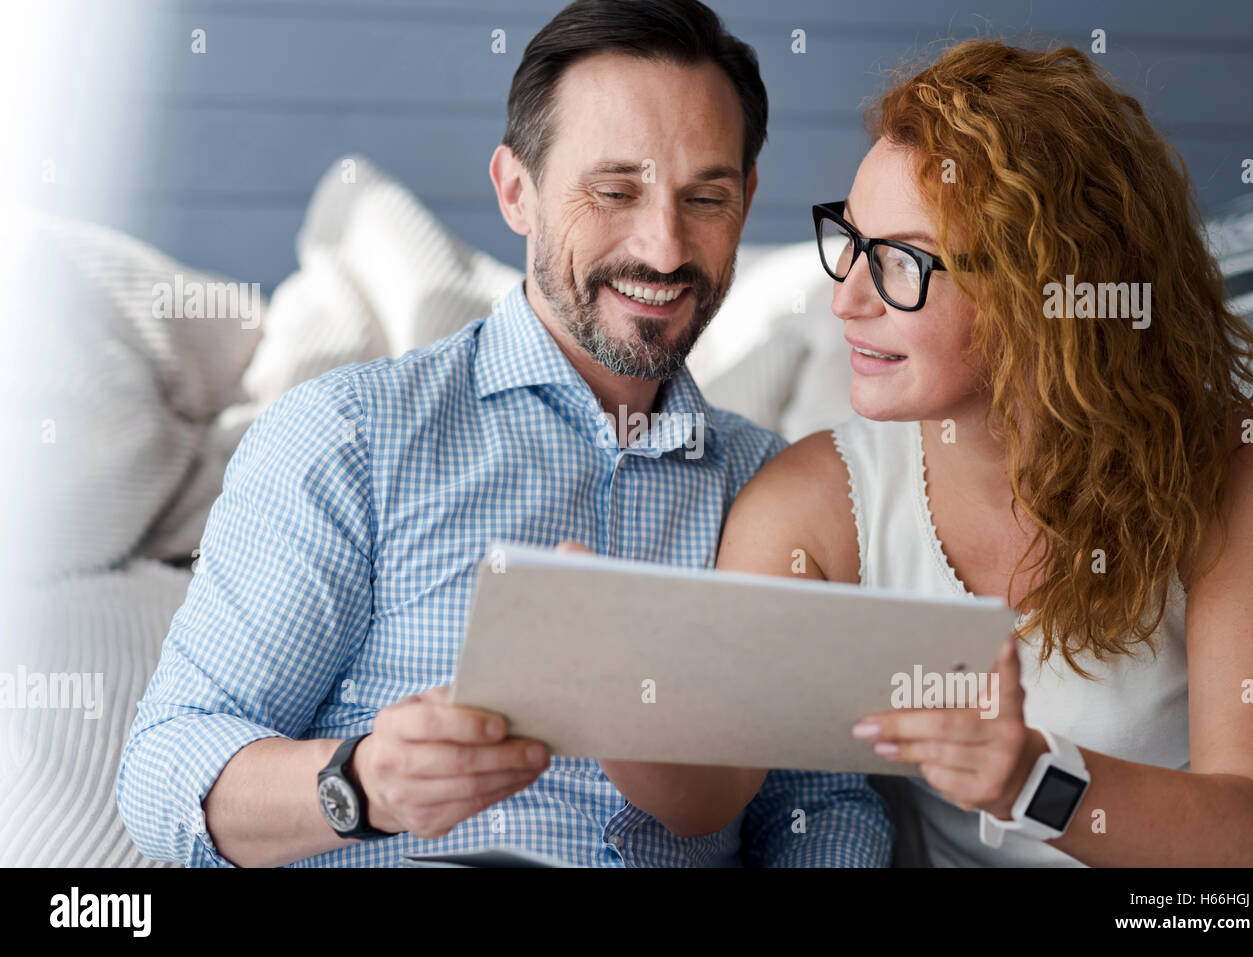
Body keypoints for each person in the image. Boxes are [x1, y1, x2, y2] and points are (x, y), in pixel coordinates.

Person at [116, 0, 892, 868]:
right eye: (615, 190)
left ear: (746, 203)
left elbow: (822, 803)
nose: (665, 247)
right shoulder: (350, 435)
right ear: (517, 190)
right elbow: (162, 772)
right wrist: (359, 785)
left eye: (704, 197)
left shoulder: (774, 488)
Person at [716, 39, 1253, 866]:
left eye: (903, 262)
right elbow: (715, 782)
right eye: (850, 239)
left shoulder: (1231, 474)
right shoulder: (814, 507)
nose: (844, 299)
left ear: (1041, 290)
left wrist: (1031, 778)